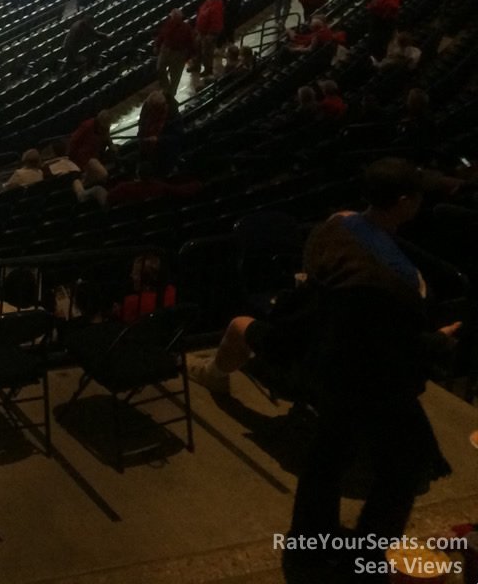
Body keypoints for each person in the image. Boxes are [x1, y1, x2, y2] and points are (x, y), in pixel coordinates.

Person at [194, 160, 462, 581]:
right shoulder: (403, 280)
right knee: (402, 467)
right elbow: (396, 346)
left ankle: (308, 545)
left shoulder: (335, 226)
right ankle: (365, 560)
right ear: (406, 202)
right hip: (364, 378)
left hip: (320, 357)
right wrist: (441, 340)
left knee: (326, 458)